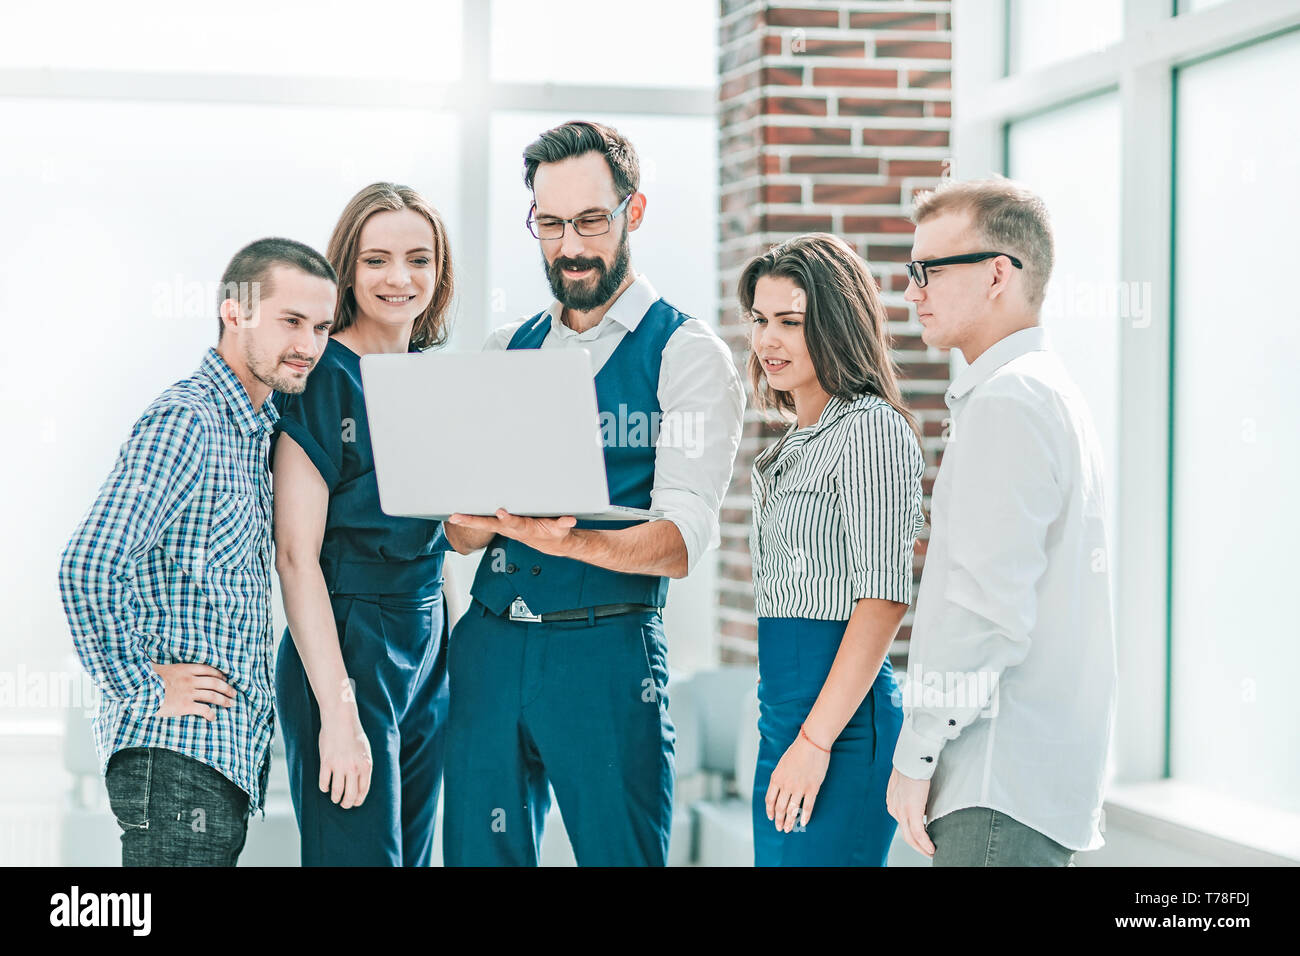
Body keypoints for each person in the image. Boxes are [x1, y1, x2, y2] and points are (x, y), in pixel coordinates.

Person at [440, 120, 745, 866]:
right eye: (550, 224)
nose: (570, 245)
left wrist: (566, 538)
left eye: (589, 221)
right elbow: (458, 537)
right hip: (488, 644)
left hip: (608, 658)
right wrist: (470, 521)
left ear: (632, 213)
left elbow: (680, 543)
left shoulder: (686, 354)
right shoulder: (504, 351)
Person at [58, 238, 338, 866]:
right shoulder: (191, 420)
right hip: (178, 756)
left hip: (213, 766)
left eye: (321, 326)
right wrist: (141, 686)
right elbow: (87, 564)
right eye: (291, 321)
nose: (310, 345)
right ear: (234, 312)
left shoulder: (254, 433)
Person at [886, 177, 1117, 867]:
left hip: (995, 787)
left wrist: (916, 754)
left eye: (928, 270)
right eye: (910, 271)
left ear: (997, 274)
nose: (912, 291)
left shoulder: (1010, 403)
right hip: (1024, 789)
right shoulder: (1048, 392)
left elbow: (986, 614)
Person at [271, 182, 457, 866]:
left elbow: (450, 533)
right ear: (346, 269)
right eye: (376, 259)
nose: (399, 278)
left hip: (428, 642)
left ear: (439, 274)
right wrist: (339, 709)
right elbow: (295, 557)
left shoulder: (432, 381)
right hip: (347, 645)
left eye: (419, 259)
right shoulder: (323, 377)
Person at [742, 233, 925, 867]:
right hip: (786, 720)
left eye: (790, 322)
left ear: (836, 323)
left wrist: (815, 742)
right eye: (761, 320)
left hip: (839, 732)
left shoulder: (870, 427)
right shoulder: (796, 441)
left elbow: (882, 599)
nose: (768, 340)